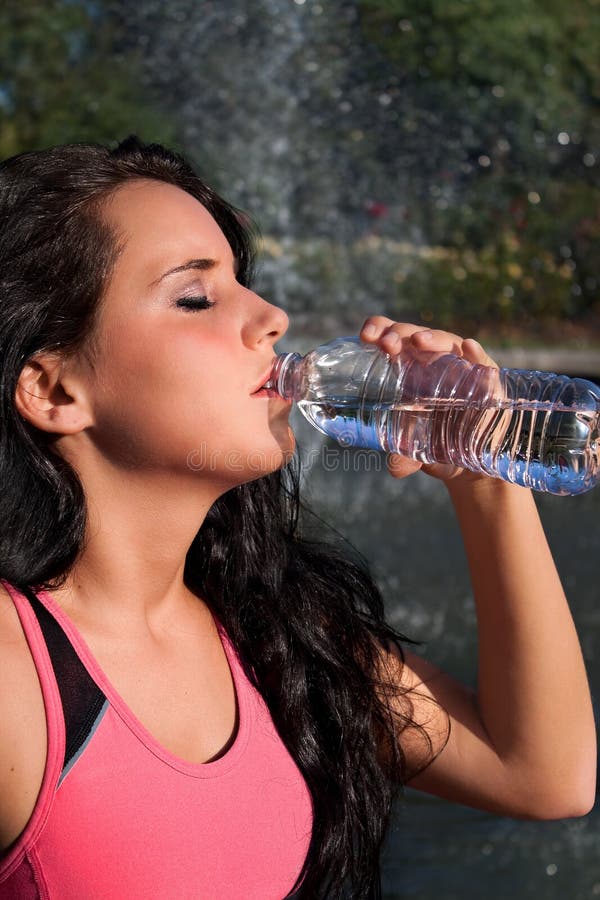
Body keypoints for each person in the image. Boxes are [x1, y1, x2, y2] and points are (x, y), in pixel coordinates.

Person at [0, 137, 595, 900]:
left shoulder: (270, 632)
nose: (273, 317)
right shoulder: (21, 678)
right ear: (53, 389)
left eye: (243, 283)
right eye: (195, 297)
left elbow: (544, 775)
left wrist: (481, 470)